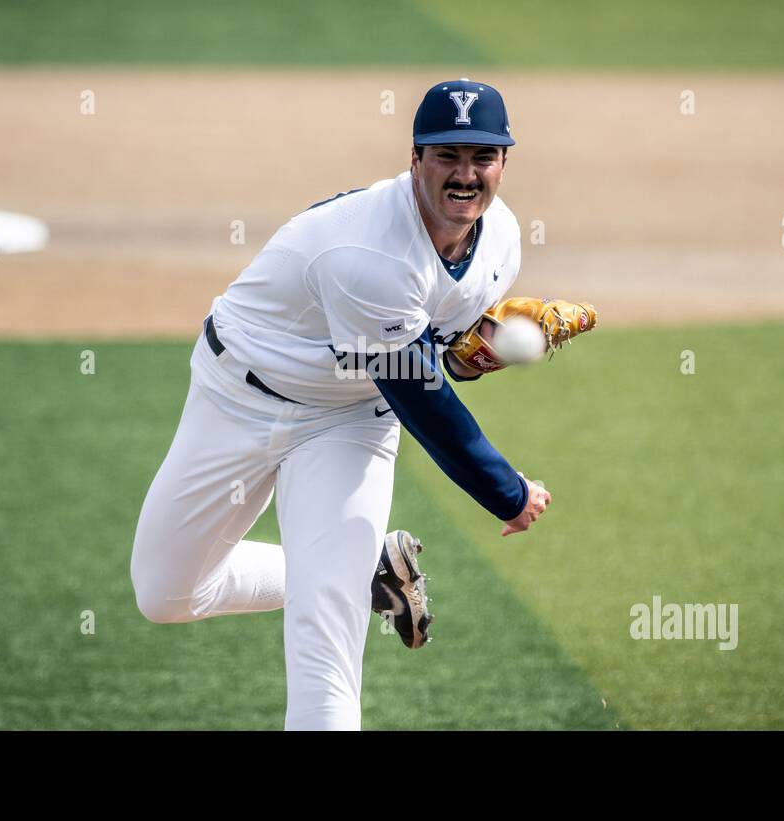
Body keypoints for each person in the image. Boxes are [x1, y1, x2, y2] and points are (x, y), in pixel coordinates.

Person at [131, 79, 552, 730]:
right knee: (166, 593)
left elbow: (432, 355)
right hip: (238, 396)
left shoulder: (501, 242)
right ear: (415, 158)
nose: (465, 175)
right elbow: (421, 396)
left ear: (504, 162)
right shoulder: (366, 251)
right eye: (447, 156)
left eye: (482, 156)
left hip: (350, 416)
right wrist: (507, 491)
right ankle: (366, 570)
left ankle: (342, 575)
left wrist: (475, 354)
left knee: (322, 645)